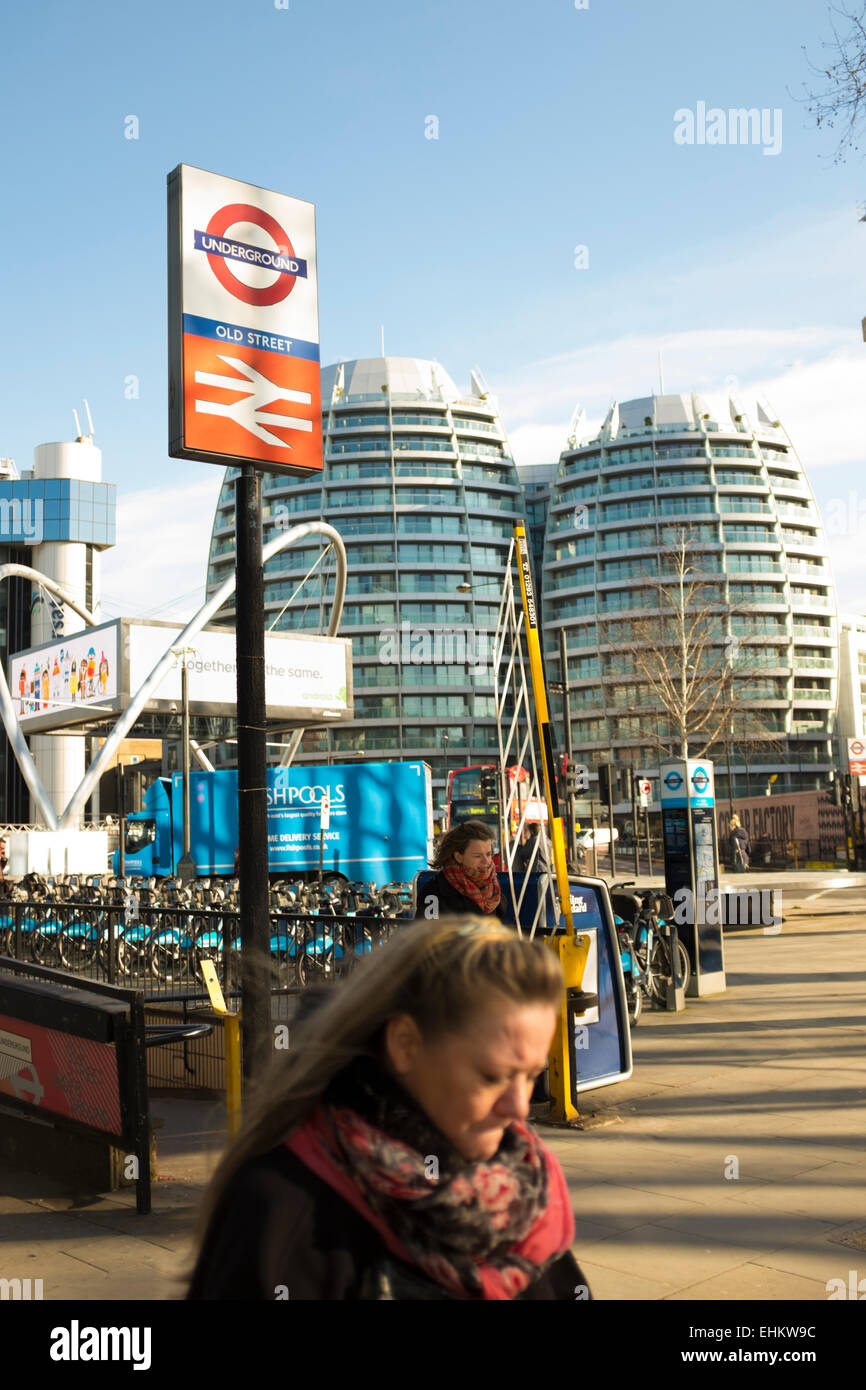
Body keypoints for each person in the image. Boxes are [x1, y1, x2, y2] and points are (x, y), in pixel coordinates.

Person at [186, 917, 589, 1300]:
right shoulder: (285, 1209)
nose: (518, 1108)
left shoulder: (526, 1186)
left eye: (532, 1075)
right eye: (492, 1075)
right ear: (405, 1045)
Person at [419, 821, 503, 920]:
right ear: (458, 857)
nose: (486, 861)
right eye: (477, 856)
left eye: (489, 854)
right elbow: (426, 932)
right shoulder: (435, 891)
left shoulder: (496, 889)